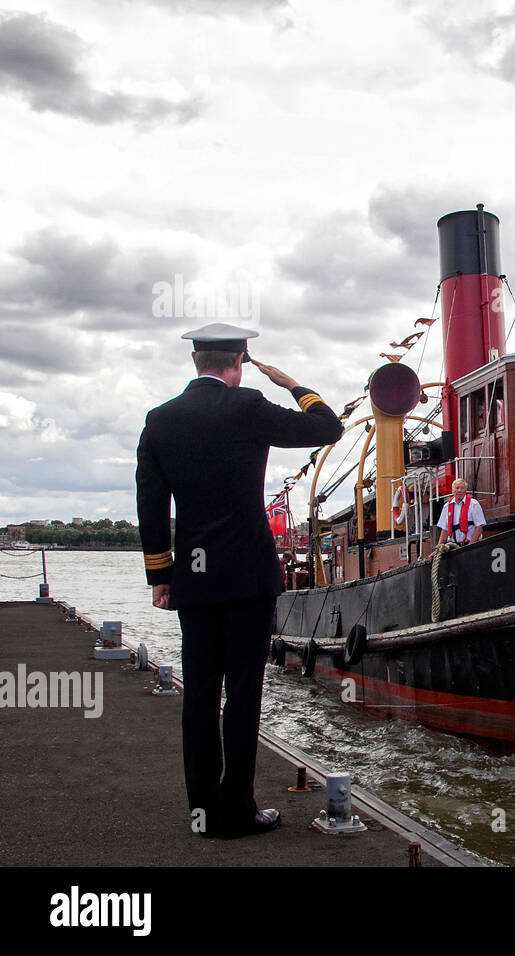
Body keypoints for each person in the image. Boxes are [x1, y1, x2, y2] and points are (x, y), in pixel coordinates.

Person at [135, 322, 343, 839]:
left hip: (195, 580)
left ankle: (203, 813)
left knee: (200, 693)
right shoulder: (249, 406)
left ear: (196, 362)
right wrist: (292, 384)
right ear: (240, 362)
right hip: (248, 577)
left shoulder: (159, 420)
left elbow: (151, 505)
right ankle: (239, 809)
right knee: (244, 693)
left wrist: (161, 575)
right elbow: (327, 427)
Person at [436, 478, 486, 545]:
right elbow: (445, 530)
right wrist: (438, 549)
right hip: (454, 546)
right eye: (457, 488)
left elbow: (479, 527)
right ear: (452, 491)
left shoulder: (474, 504)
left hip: (471, 544)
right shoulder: (446, 507)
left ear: (465, 490)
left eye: (462, 488)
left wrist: (469, 546)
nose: (459, 490)